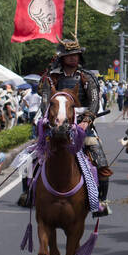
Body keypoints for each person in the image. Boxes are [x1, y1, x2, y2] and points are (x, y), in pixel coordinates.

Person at [39, 39, 112, 215]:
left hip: (82, 125)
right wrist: (51, 119)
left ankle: (101, 201)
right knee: (34, 158)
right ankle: (29, 194)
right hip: (55, 123)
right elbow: (44, 101)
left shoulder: (87, 77)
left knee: (101, 161)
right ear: (62, 58)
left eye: (76, 55)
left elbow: (94, 101)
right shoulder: (52, 77)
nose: (73, 59)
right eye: (69, 56)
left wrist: (86, 120)